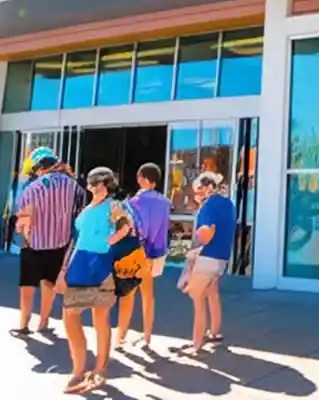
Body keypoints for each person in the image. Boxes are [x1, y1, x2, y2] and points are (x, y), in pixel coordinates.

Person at [56, 166, 132, 394]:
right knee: (70, 315)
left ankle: (99, 371)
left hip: (100, 265)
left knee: (101, 319)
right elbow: (75, 239)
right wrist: (62, 270)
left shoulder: (114, 205)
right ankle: (78, 369)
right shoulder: (86, 207)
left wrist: (109, 240)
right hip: (79, 265)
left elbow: (127, 226)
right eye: (91, 182)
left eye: (98, 182)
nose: (93, 186)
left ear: (107, 184)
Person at [11, 147, 80, 337]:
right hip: (60, 243)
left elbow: (25, 219)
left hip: (34, 243)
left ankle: (24, 323)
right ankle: (43, 321)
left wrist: (21, 230)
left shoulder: (33, 188)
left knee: (27, 285)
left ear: (39, 167)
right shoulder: (72, 185)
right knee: (48, 282)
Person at [117, 162, 171, 348]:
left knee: (127, 295)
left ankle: (121, 335)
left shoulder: (131, 203)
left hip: (135, 253)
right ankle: (147, 335)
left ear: (141, 178)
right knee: (148, 295)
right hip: (154, 253)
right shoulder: (165, 203)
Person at [180, 171, 235, 355]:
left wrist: (190, 262)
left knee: (198, 298)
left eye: (199, 189)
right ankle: (215, 331)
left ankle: (197, 344)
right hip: (222, 257)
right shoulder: (228, 204)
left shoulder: (207, 207)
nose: (197, 193)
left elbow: (205, 233)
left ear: (209, 187)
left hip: (206, 257)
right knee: (212, 293)